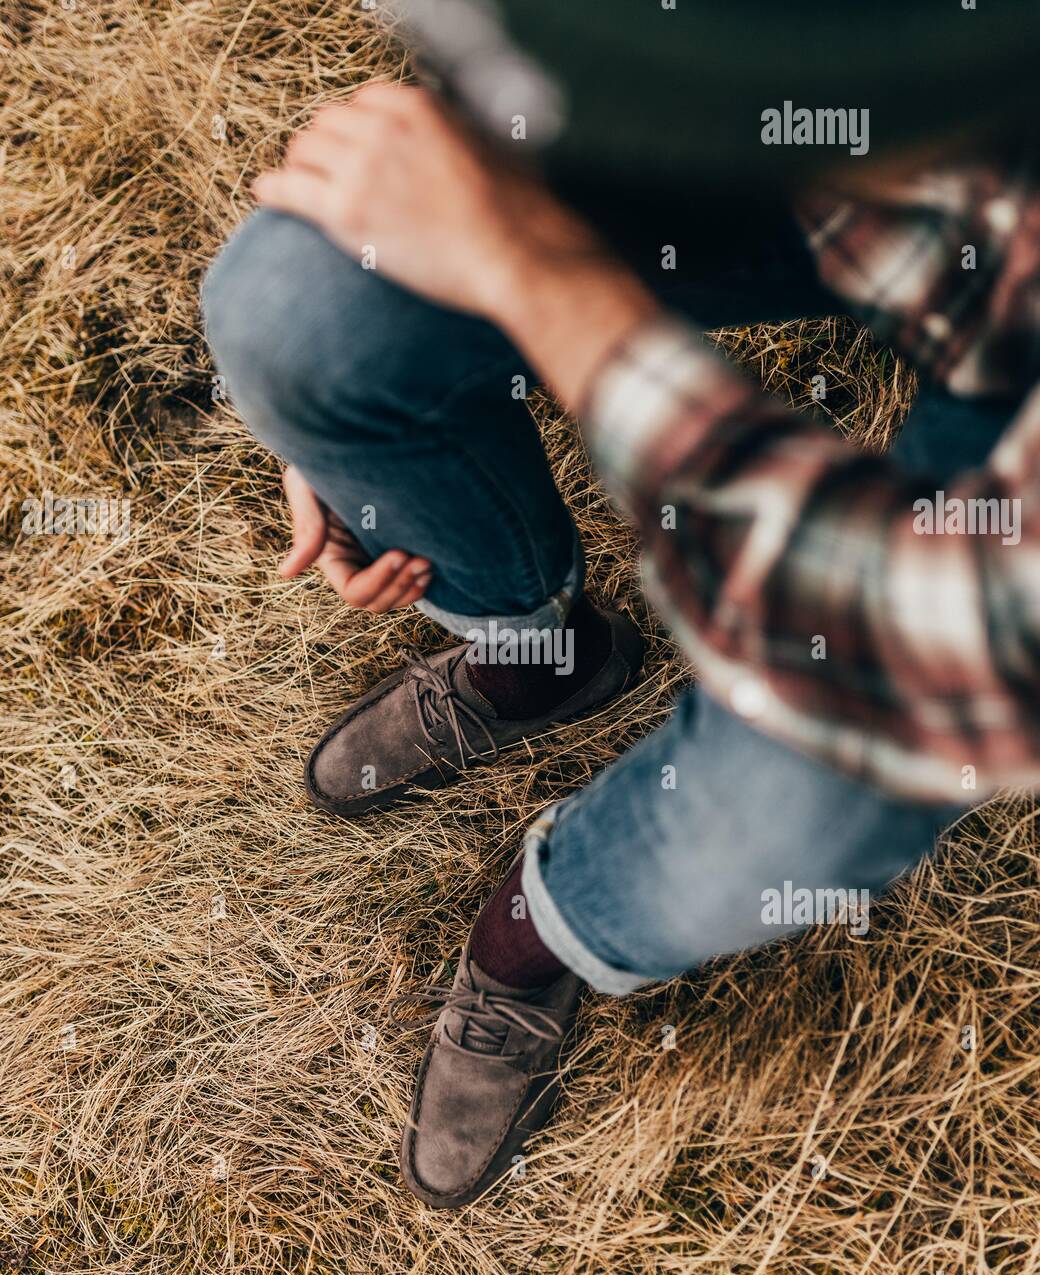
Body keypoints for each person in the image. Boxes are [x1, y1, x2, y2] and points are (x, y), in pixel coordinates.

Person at [202, 1, 1040, 1208]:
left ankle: (539, 929)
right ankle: (541, 651)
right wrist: (340, 396)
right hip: (813, 160)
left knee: (800, 808)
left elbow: (932, 655)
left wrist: (526, 278)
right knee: (301, 315)